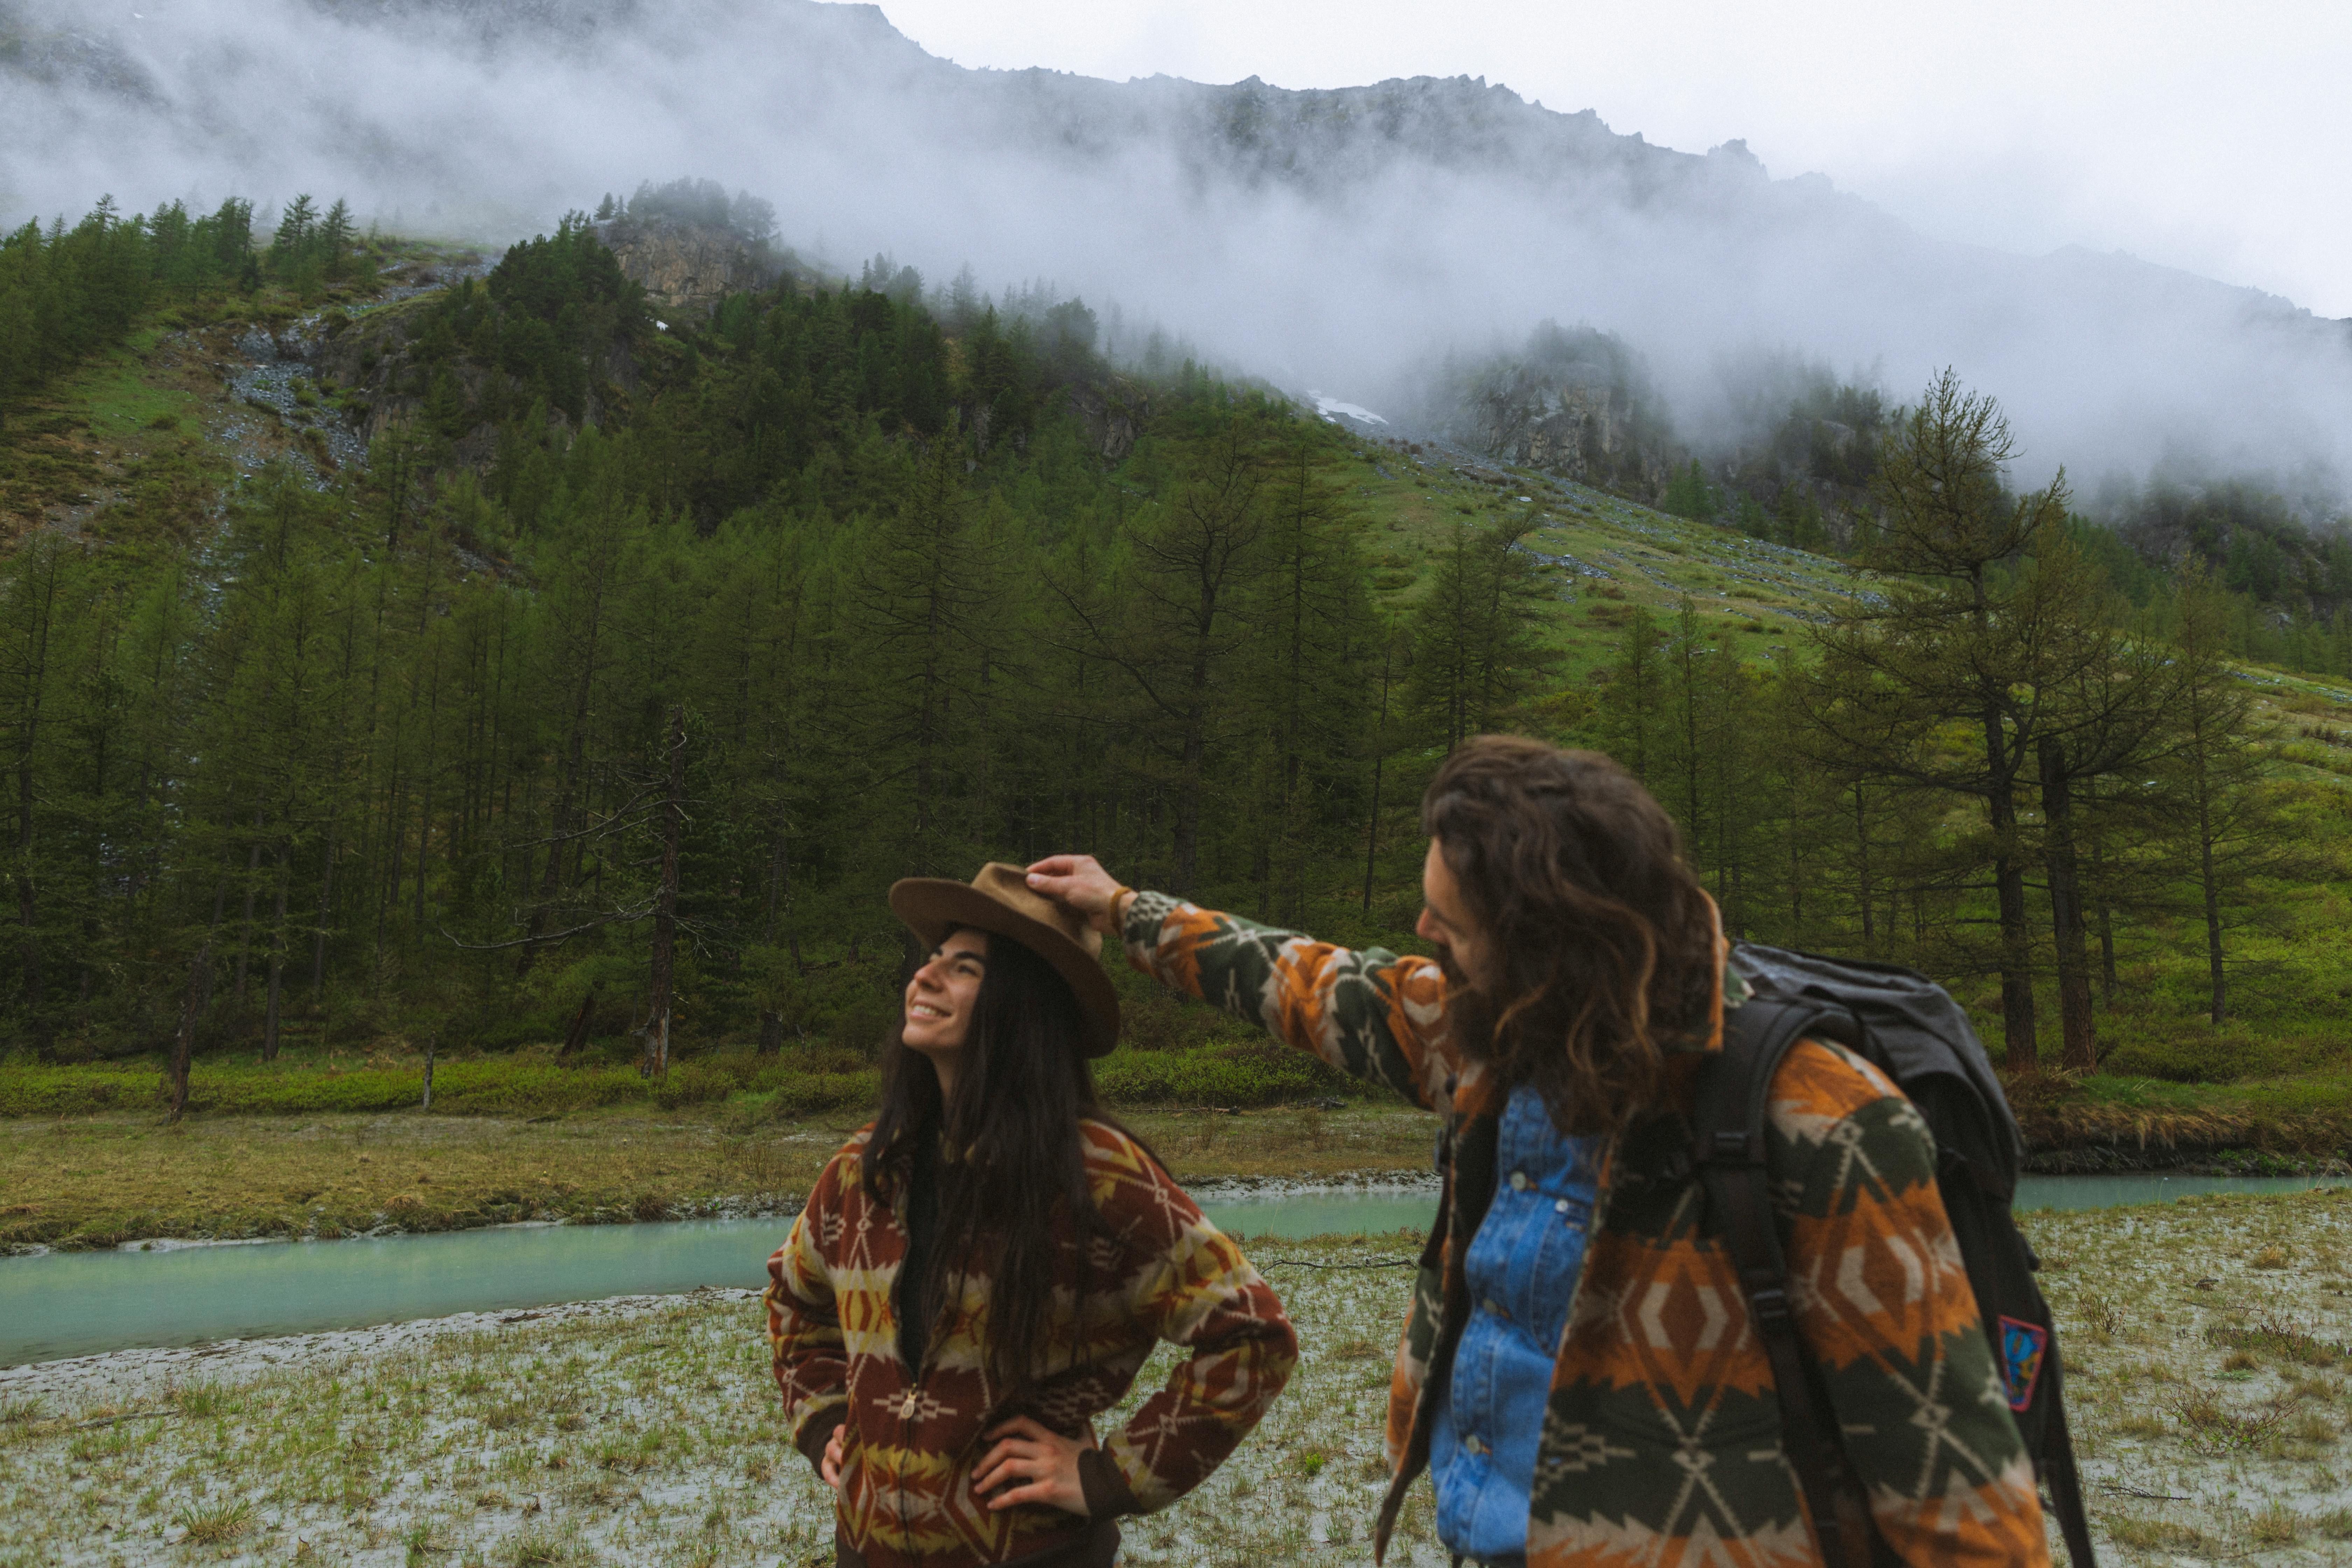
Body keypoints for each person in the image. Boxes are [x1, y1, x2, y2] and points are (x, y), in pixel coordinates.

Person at [1026, 736, 2051, 1568]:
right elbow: (1306, 981)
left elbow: (1957, 1491)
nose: (1422, 931)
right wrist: (1125, 910)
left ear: (1559, 943)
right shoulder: (1486, 1033)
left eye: (1452, 924)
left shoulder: (1823, 1122)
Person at [764, 862, 1298, 1568]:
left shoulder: (1098, 1176)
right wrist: (824, 1417)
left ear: (1023, 1003)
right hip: (866, 1552)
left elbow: (1252, 1333)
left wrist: (1115, 1473)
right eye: (931, 960)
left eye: (964, 968)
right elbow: (794, 1299)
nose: (925, 977)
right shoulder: (867, 1166)